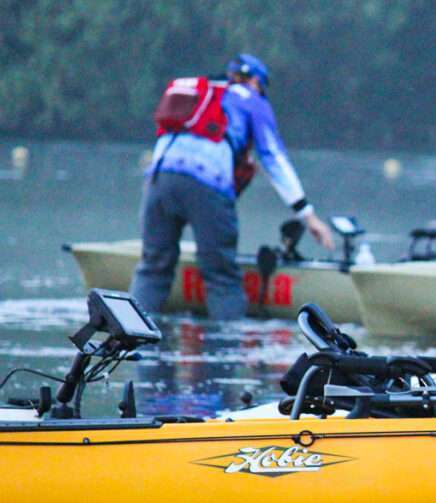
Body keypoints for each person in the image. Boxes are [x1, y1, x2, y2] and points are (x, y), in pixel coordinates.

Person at [131, 53, 334, 320]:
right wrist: (308, 216)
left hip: (159, 178)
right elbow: (273, 158)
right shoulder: (253, 101)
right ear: (254, 81)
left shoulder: (205, 92)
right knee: (222, 278)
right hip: (207, 183)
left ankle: (129, 338)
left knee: (152, 268)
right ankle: (225, 356)